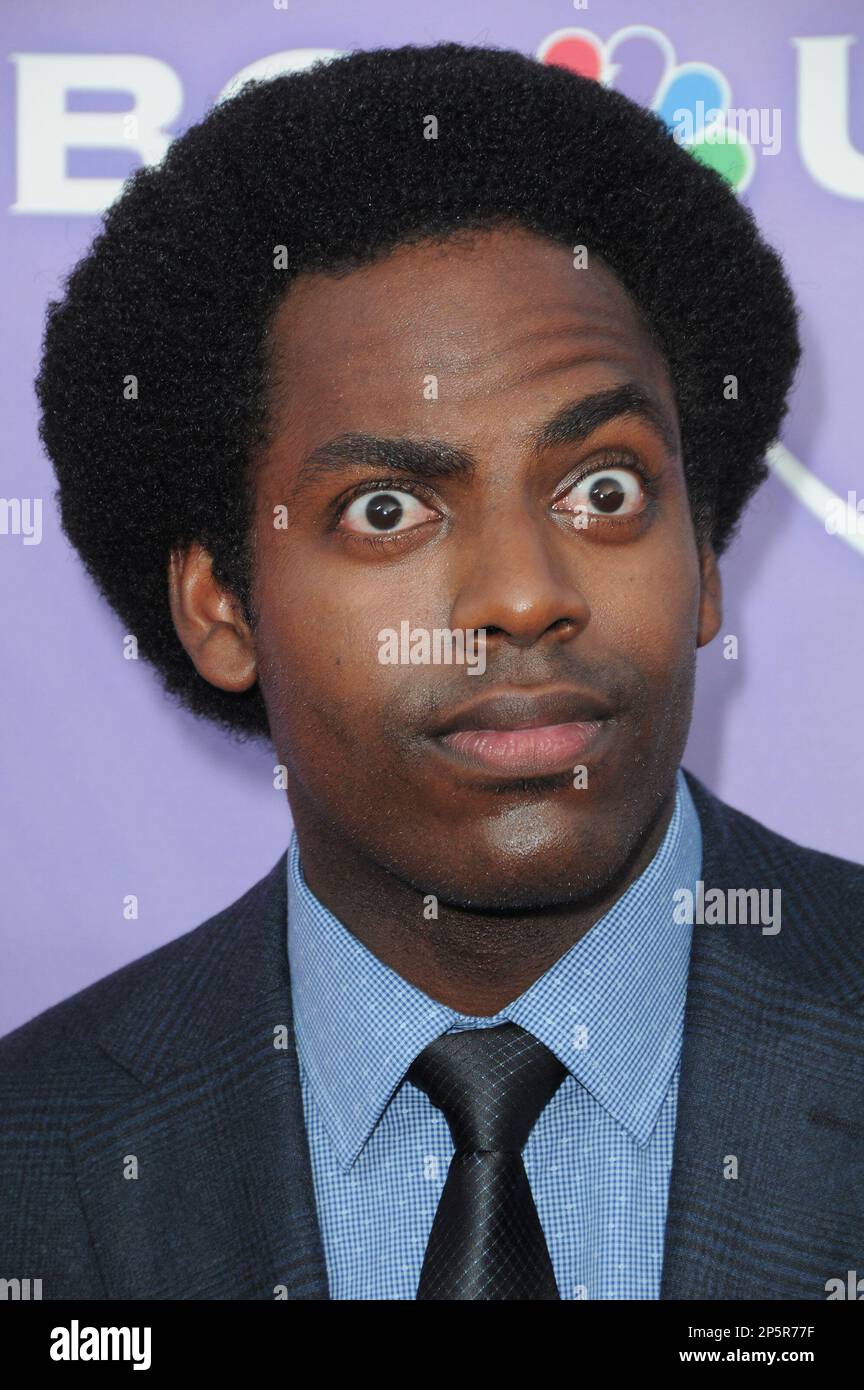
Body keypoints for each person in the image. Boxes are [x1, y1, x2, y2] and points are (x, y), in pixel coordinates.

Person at [1, 43, 861, 1302]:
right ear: (220, 605)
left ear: (706, 559)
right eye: (387, 509)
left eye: (603, 489)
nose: (524, 594)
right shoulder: (34, 1157)